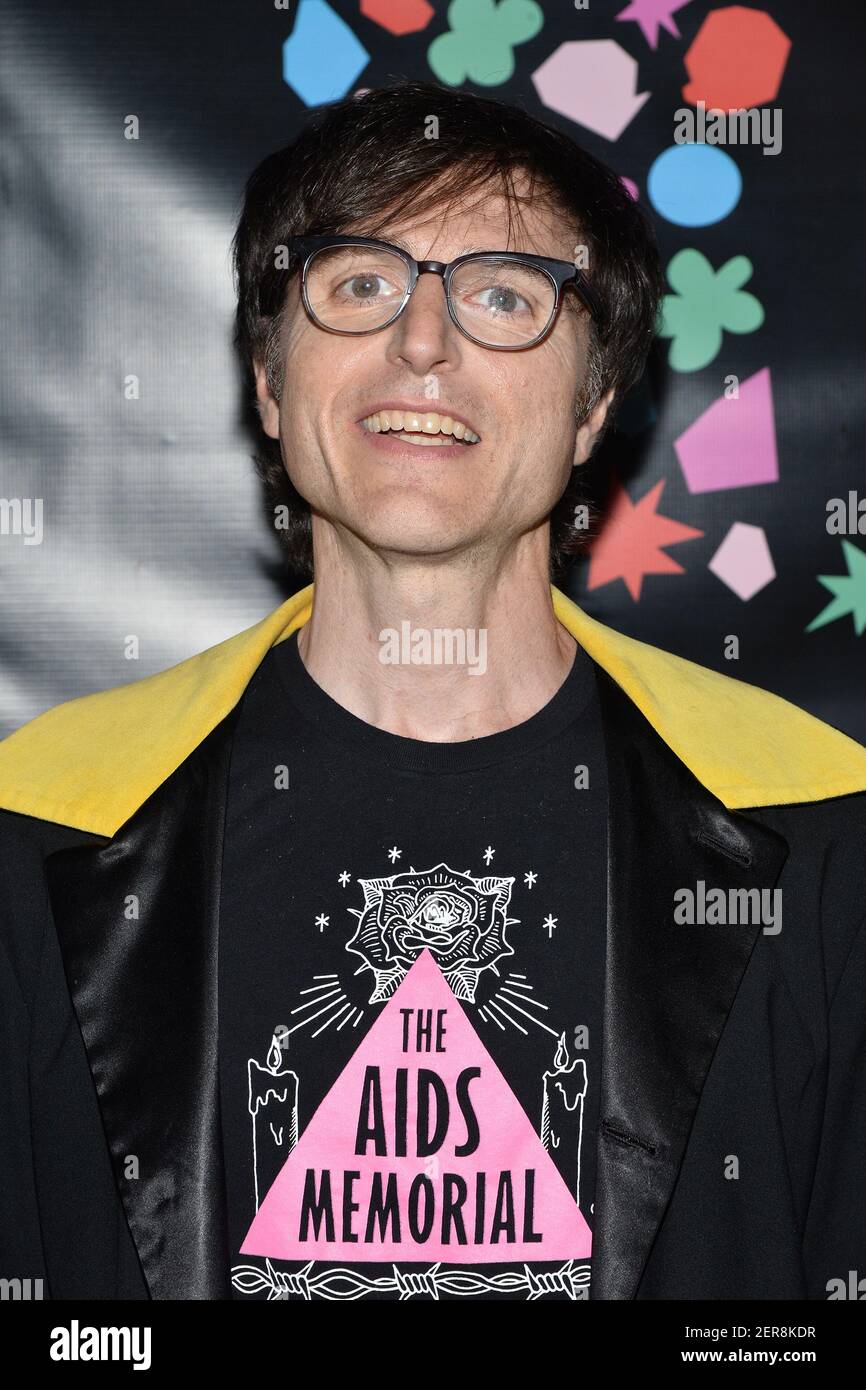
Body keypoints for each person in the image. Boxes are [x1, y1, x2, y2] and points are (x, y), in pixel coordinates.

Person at [1, 81, 865, 1303]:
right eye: (360, 283)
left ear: (593, 406)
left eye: (503, 295)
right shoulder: (38, 823)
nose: (422, 342)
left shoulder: (818, 831)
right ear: (267, 381)